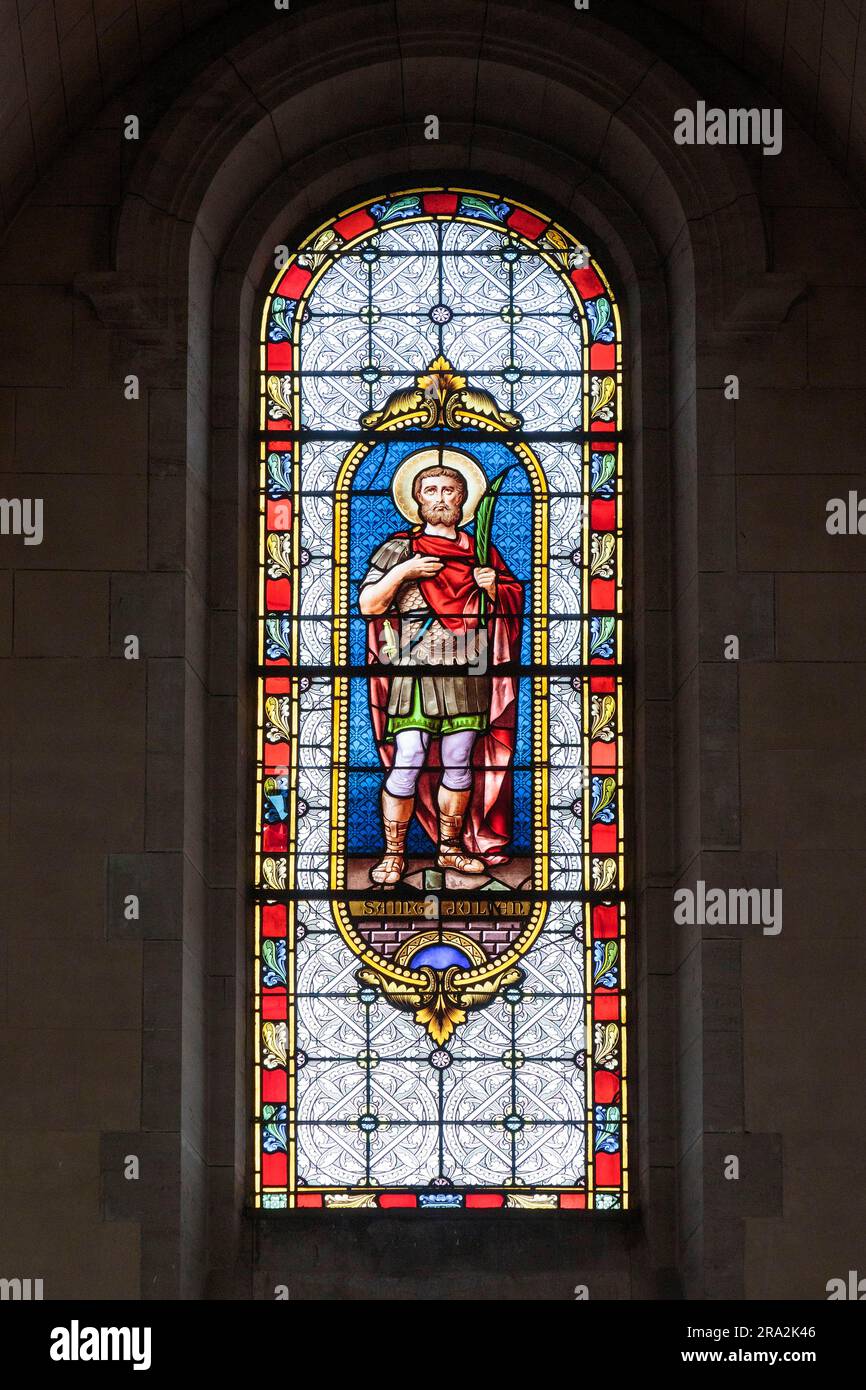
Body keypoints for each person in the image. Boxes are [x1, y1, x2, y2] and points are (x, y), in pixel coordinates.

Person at [359, 457, 523, 886]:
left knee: (458, 760)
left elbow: (510, 600)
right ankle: (394, 853)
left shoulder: (480, 550)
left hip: (469, 665)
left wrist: (494, 587)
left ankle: (449, 849)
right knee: (409, 757)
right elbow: (369, 605)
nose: (441, 498)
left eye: (449, 490)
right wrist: (404, 572)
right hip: (413, 667)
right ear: (416, 500)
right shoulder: (400, 548)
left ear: (463, 498)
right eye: (430, 490)